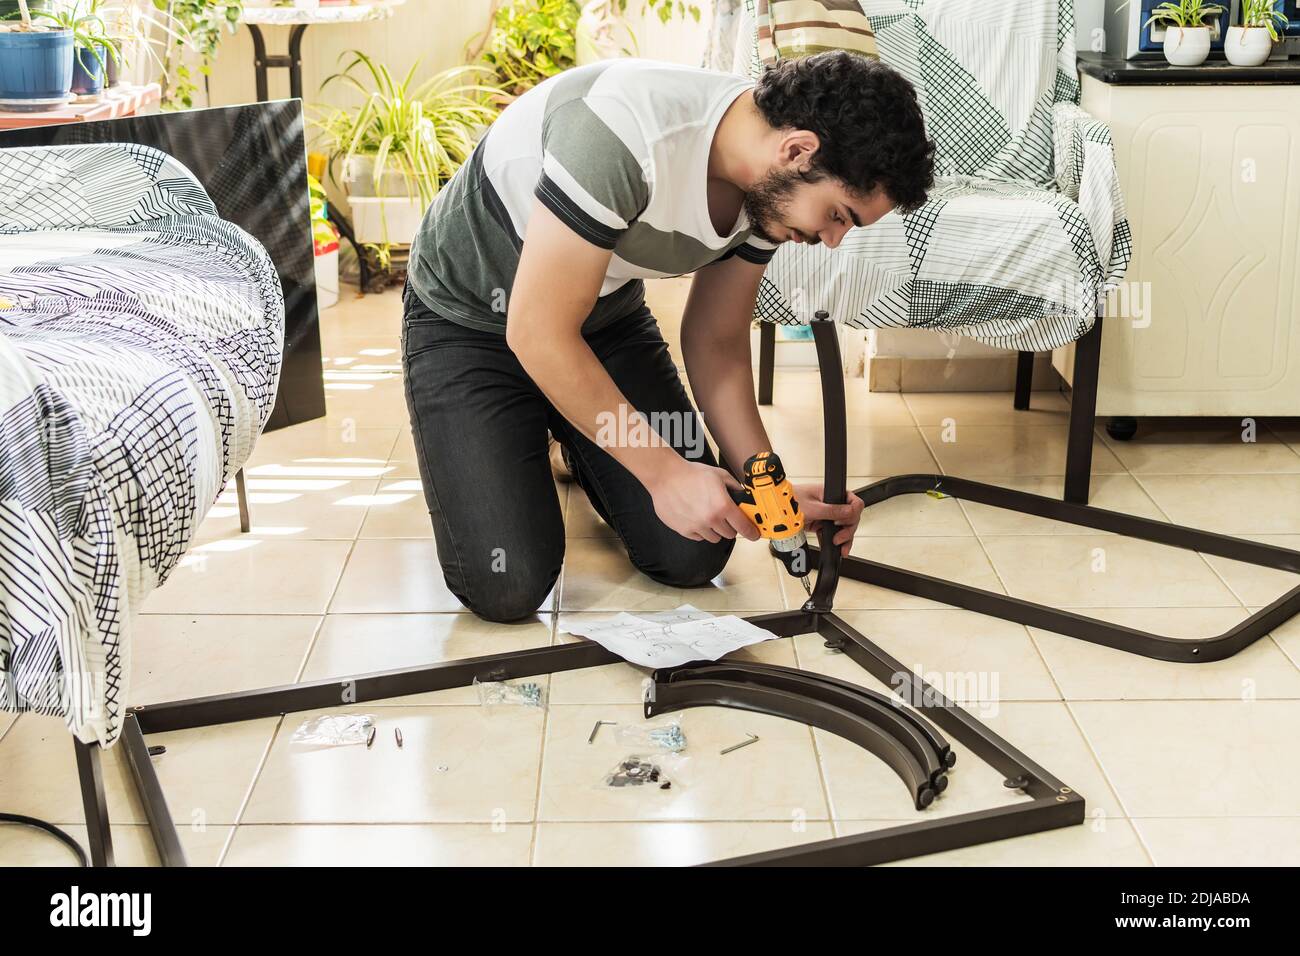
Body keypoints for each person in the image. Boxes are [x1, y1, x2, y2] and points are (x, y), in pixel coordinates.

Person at [402, 51, 935, 622]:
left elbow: (716, 340)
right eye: (838, 215)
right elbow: (537, 332)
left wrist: (768, 490)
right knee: (506, 584)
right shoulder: (617, 134)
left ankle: (578, 430)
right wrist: (664, 473)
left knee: (691, 552)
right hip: (469, 320)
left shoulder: (768, 191)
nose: (831, 240)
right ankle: (558, 418)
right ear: (799, 150)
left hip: (600, 318)